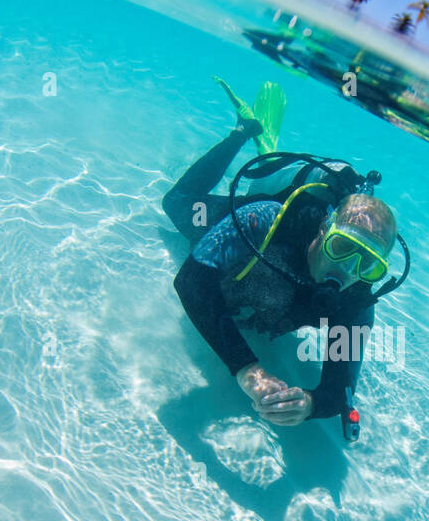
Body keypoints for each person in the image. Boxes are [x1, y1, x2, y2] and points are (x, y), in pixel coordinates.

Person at [162, 81, 401, 430]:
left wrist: (307, 404)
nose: (347, 268)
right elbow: (191, 281)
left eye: (368, 264)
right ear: (323, 231)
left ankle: (261, 141)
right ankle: (244, 130)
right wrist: (249, 370)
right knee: (178, 204)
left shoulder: (357, 297)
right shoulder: (266, 220)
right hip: (259, 220)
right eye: (341, 246)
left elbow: (339, 389)